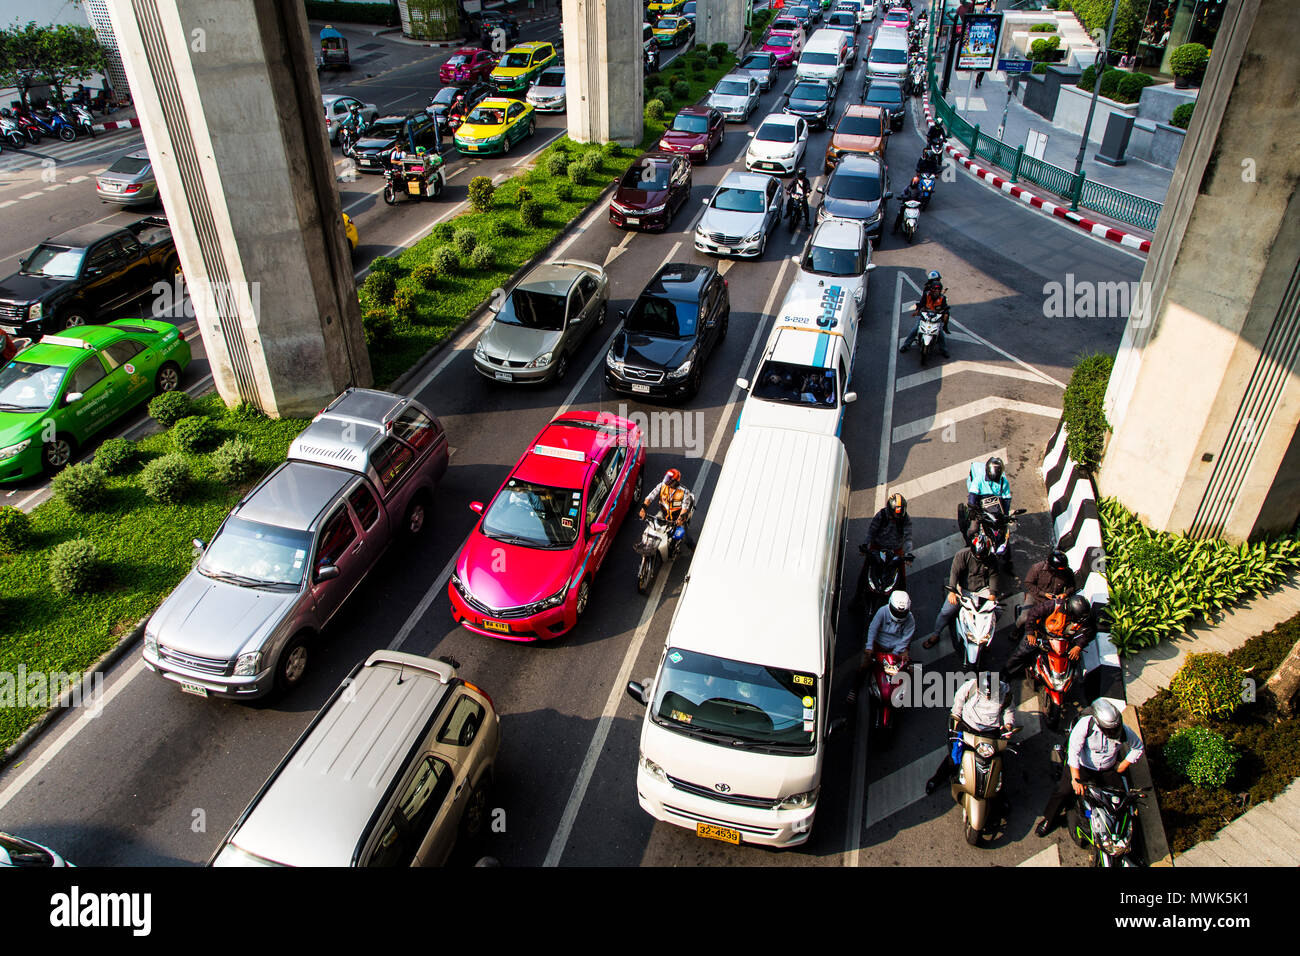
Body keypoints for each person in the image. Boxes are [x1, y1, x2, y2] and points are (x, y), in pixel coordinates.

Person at [1035, 698, 1144, 836]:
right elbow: (1074, 751)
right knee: (1063, 792)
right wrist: (1075, 778)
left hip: (1107, 769)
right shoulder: (1085, 726)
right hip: (1083, 767)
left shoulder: (1123, 731)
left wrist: (1123, 765)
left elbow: (1138, 748)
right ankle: (1049, 819)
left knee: (1121, 798)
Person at [924, 672, 1015, 794]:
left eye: (990, 695)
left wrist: (1009, 725)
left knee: (996, 764)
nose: (988, 698)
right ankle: (937, 779)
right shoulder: (970, 686)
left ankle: (999, 795)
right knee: (954, 757)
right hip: (967, 726)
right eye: (985, 695)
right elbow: (959, 701)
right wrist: (956, 717)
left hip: (990, 732)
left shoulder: (1005, 692)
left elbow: (1009, 711)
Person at [921, 533, 1006, 649]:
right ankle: (936, 634)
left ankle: (985, 634)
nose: (980, 558)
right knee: (946, 611)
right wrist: (953, 591)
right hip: (963, 589)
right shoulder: (962, 555)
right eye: (977, 555)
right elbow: (954, 573)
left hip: (982, 590)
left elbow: (993, 576)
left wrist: (992, 594)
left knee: (997, 612)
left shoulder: (992, 559)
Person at [1004, 592, 1095, 682]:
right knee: (1021, 653)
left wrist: (1078, 646)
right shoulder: (1053, 605)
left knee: (1074, 662)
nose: (1079, 621)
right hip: (1042, 635)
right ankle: (1002, 676)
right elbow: (1033, 614)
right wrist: (1030, 633)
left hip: (1063, 642)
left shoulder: (1083, 617)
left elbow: (1088, 631)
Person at [847, 591, 915, 703]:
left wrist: (897, 652)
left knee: (909, 669)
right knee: (865, 666)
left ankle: (903, 694)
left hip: (897, 649)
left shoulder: (910, 619)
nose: (899, 615)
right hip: (878, 645)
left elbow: (906, 638)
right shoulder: (882, 611)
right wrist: (869, 647)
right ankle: (854, 689)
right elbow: (873, 628)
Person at [853, 493, 913, 606]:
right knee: (865, 571)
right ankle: (857, 598)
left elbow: (908, 537)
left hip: (896, 549)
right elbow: (871, 531)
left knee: (902, 577)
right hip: (878, 546)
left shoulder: (905, 519)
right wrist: (865, 546)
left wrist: (908, 554)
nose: (897, 516)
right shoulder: (881, 515)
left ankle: (903, 602)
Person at [1014, 549, 1077, 639]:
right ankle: (1016, 630)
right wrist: (1043, 594)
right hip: (1035, 597)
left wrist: (1065, 594)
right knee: (1024, 618)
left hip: (1053, 602)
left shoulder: (1067, 572)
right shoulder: (1037, 568)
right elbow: (1028, 583)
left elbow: (1072, 586)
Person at [640, 467, 696, 557]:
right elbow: (650, 497)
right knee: (652, 529)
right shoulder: (662, 485)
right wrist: (643, 508)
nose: (666, 481)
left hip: (677, 518)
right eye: (667, 478)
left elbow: (685, 508)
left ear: (675, 482)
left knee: (686, 539)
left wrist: (680, 519)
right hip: (664, 514)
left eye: (669, 480)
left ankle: (696, 551)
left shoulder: (684, 492)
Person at [899, 270, 950, 356]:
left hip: (935, 317)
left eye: (938, 289)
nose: (936, 291)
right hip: (925, 315)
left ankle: (943, 350)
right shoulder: (926, 294)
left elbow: (945, 308)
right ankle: (906, 345)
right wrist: (918, 310)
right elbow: (921, 303)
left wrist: (944, 313)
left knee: (940, 333)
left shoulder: (942, 298)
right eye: (934, 289)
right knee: (915, 329)